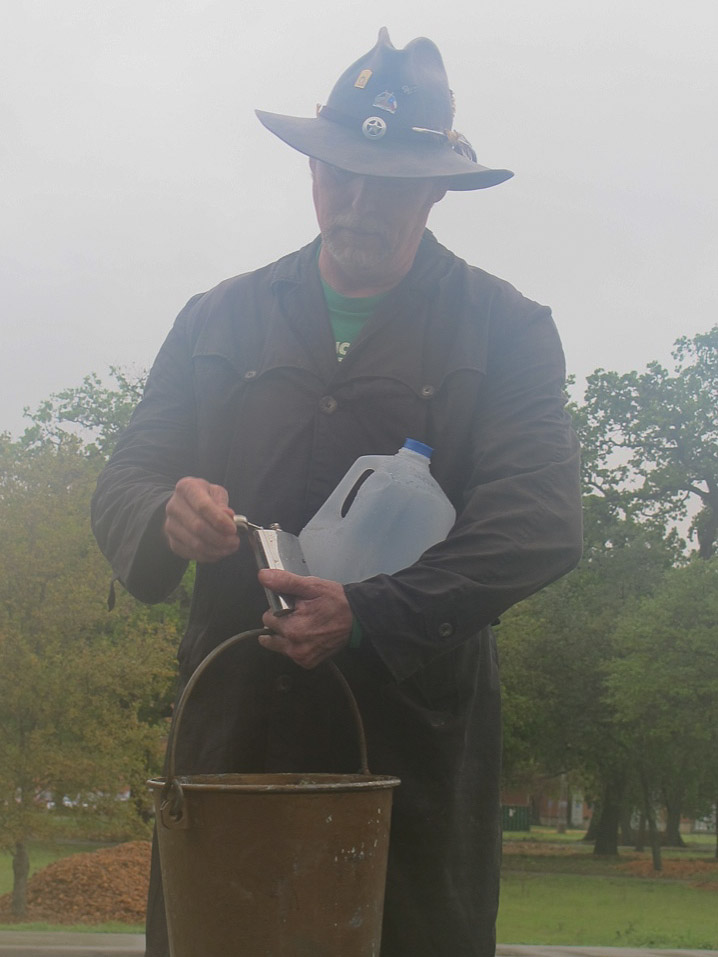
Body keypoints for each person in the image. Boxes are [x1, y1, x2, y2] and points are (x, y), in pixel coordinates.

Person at [92, 27, 582, 957]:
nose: (356, 205)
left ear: (436, 189)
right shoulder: (216, 318)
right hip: (232, 737)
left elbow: (540, 521)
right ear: (313, 169)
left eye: (388, 186)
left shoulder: (508, 329)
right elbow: (127, 477)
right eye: (339, 176)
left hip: (411, 762)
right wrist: (165, 511)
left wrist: (372, 612)